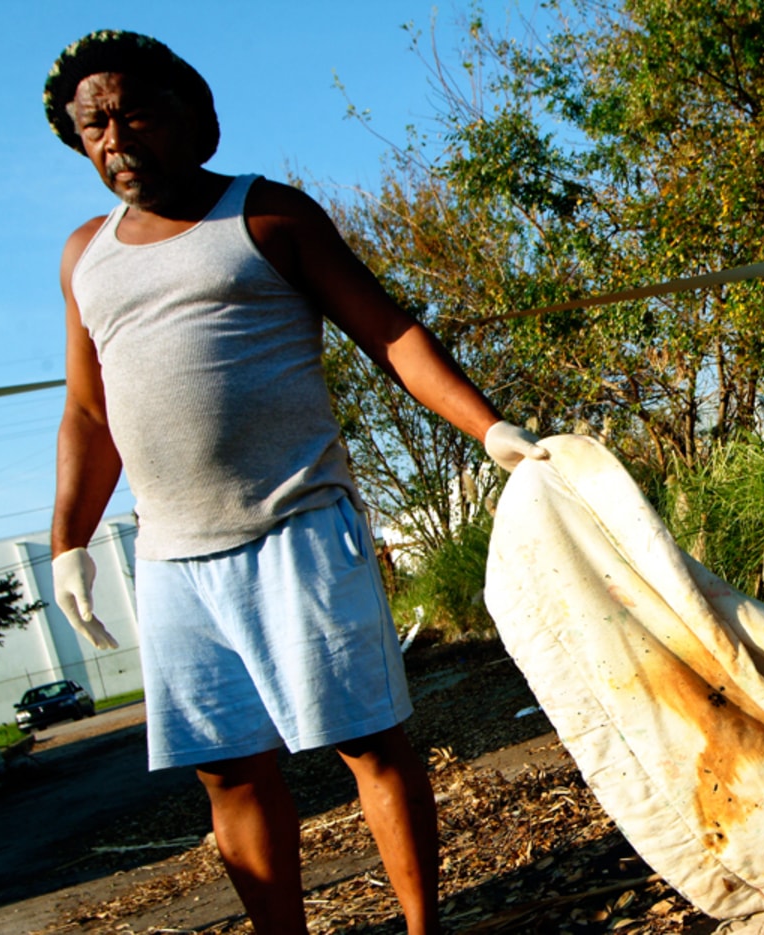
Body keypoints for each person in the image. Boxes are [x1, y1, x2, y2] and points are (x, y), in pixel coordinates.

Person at [42, 30, 546, 935]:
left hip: (299, 531)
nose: (115, 138)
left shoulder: (267, 216)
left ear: (193, 120)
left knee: (367, 742)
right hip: (171, 560)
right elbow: (87, 414)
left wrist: (492, 428)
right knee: (228, 768)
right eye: (93, 126)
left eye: (134, 113)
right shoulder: (86, 256)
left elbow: (389, 334)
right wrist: (68, 542)